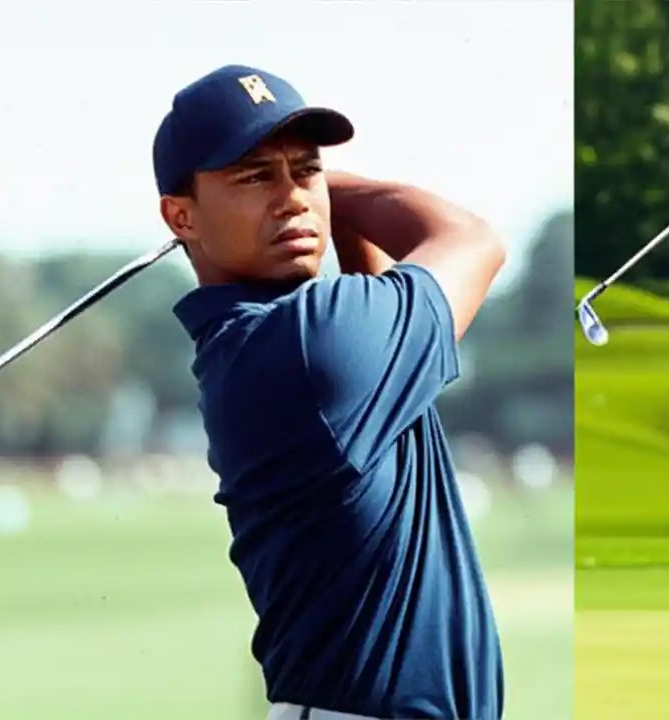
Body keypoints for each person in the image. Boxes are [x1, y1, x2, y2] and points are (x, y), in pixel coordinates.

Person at [153, 64, 506, 720]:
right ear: (181, 215)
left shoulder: (280, 342)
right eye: (255, 175)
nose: (291, 197)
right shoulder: (309, 347)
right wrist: (332, 190)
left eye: (306, 169)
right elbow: (471, 240)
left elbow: (377, 289)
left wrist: (305, 195)